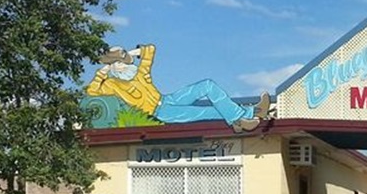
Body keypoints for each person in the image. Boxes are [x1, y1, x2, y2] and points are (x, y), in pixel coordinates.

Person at [86, 44, 269, 131]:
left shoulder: (138, 74)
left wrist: (129, 53)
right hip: (160, 112)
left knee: (207, 85)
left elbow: (150, 50)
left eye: (125, 61)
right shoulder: (111, 85)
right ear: (112, 67)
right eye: (119, 63)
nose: (124, 65)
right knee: (206, 111)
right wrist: (101, 74)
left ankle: (243, 118)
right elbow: (92, 92)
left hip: (167, 100)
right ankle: (248, 115)